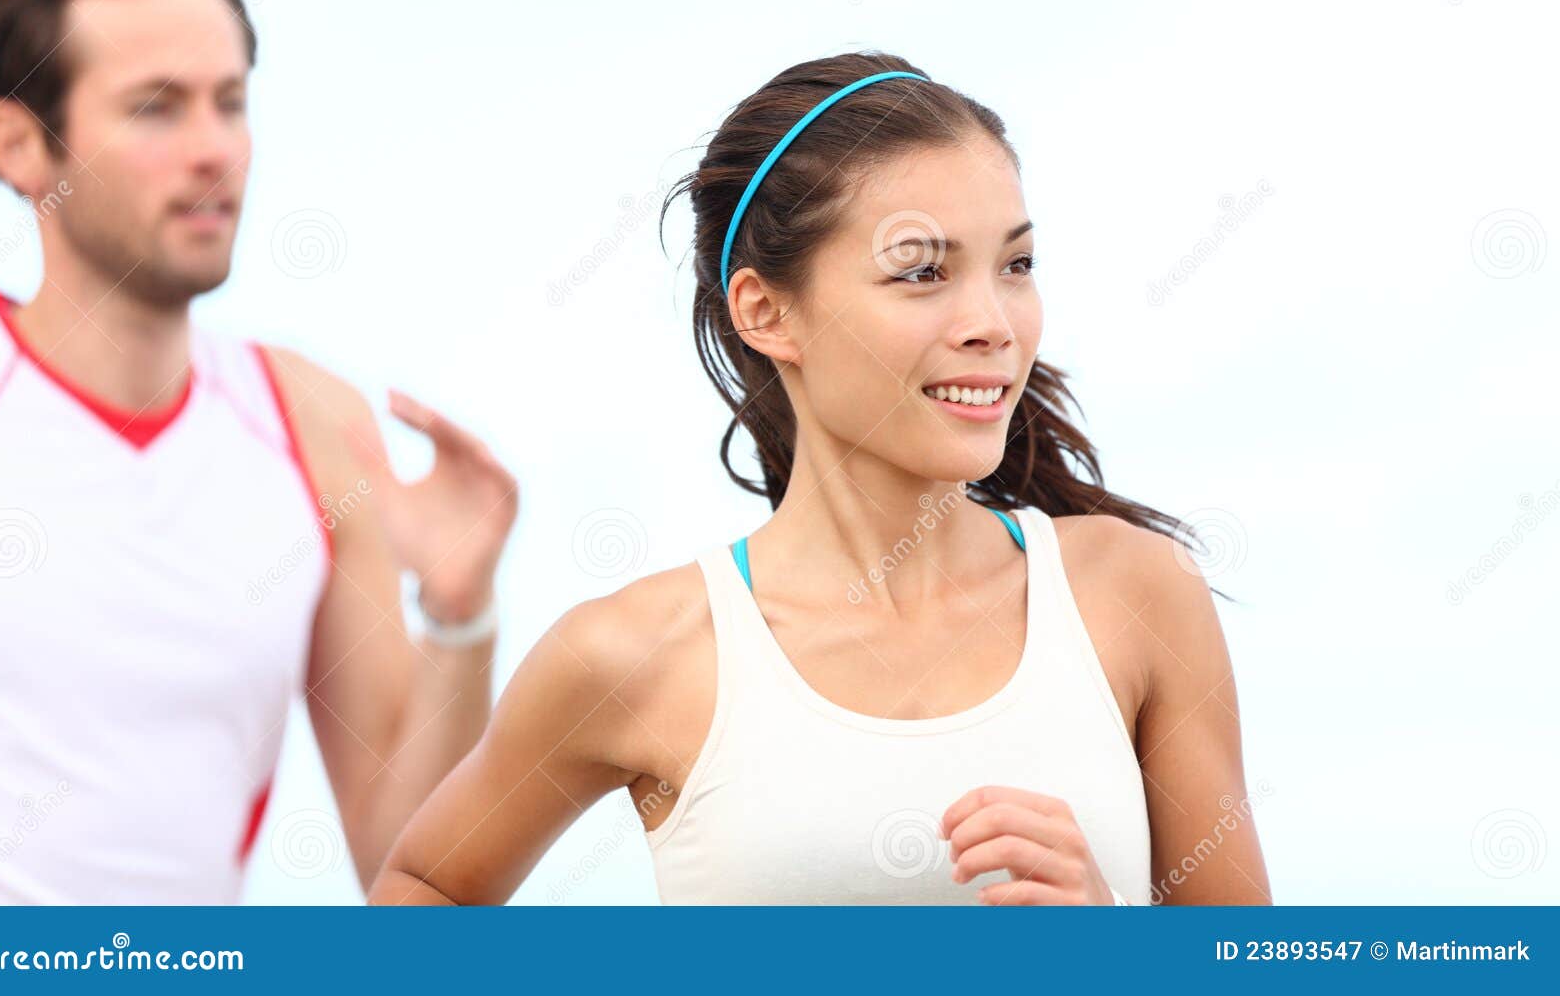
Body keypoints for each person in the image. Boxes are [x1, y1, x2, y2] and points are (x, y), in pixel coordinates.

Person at [369, 52, 1270, 905]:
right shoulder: (632, 656)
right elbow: (425, 893)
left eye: (1016, 265)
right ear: (765, 311)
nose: (993, 322)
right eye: (922, 271)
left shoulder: (1137, 594)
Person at [0, 0, 517, 904]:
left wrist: (458, 616)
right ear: (18, 145)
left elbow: (411, 874)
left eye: (230, 99)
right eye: (155, 106)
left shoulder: (311, 425)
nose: (215, 147)